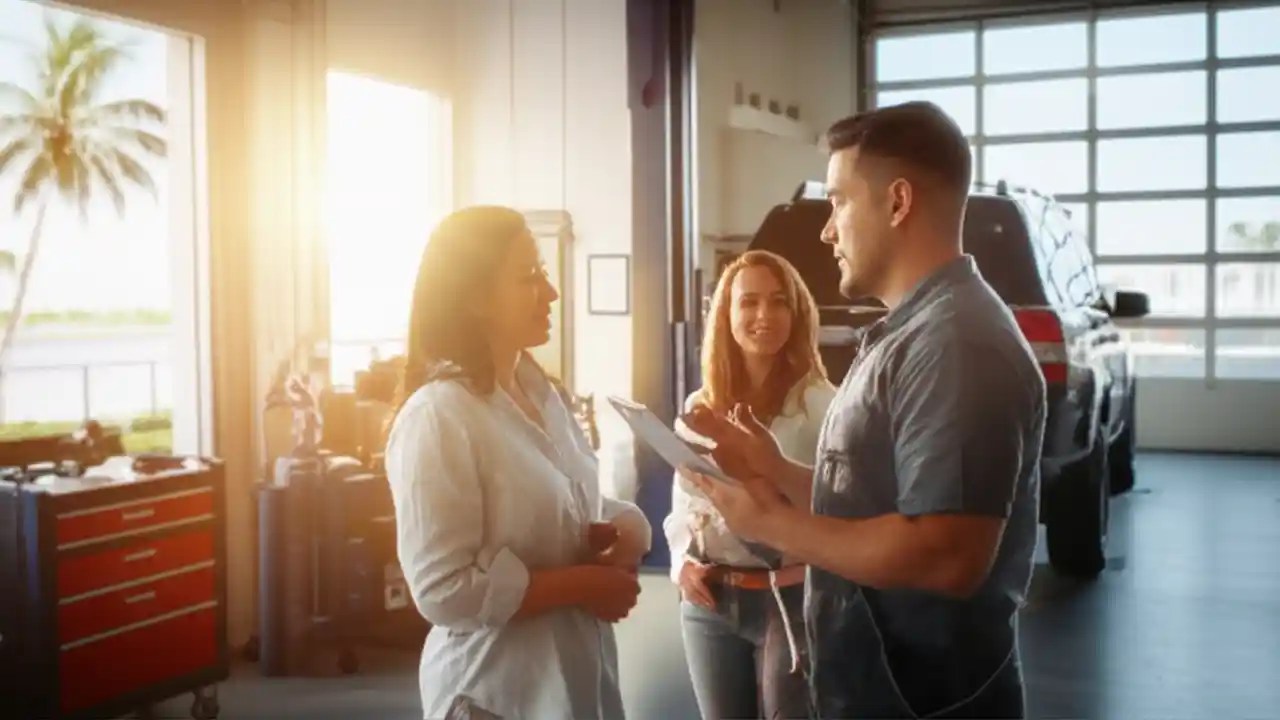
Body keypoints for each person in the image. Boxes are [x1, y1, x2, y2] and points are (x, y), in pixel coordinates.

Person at [680, 101, 1047, 719]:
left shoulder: (956, 344)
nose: (828, 231)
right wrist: (777, 473)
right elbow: (876, 502)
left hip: (923, 703)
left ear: (898, 202)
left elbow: (945, 555)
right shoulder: (913, 332)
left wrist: (770, 522)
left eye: (839, 202)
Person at [384, 205, 653, 720]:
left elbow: (573, 500)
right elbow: (442, 591)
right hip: (495, 694)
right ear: (473, 297)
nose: (550, 293)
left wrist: (629, 527)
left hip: (572, 681)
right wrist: (582, 584)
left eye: (543, 273)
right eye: (529, 276)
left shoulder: (544, 395)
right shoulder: (439, 415)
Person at [663, 250, 835, 720]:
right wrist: (680, 563)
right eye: (749, 302)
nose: (764, 315)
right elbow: (683, 508)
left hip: (790, 600)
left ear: (796, 314)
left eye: (779, 302)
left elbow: (839, 508)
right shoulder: (700, 405)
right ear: (727, 314)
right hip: (711, 604)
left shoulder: (823, 405)